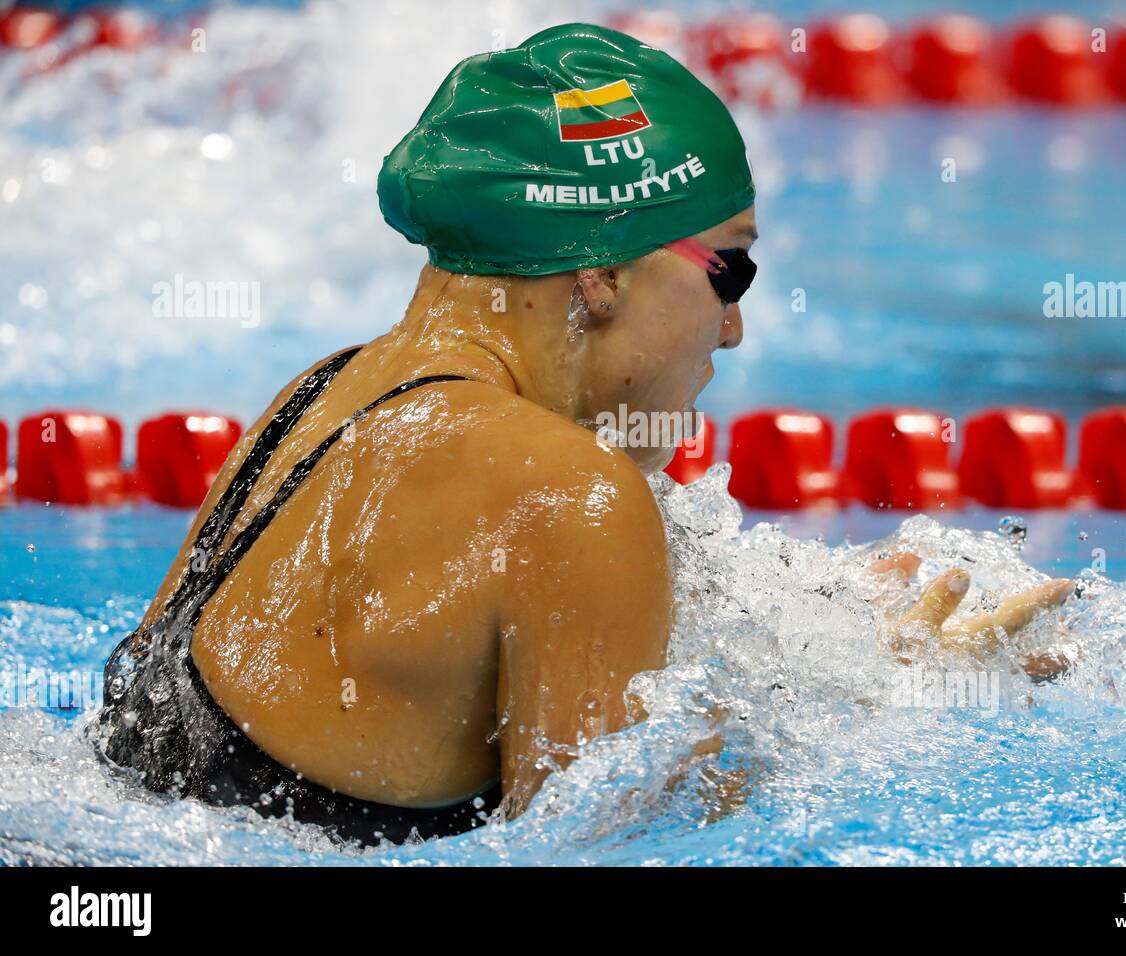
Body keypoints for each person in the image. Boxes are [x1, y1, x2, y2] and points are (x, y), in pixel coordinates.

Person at [91, 23, 1069, 846]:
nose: (733, 324)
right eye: (728, 269)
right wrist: (876, 715)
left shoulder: (318, 394)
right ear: (599, 273)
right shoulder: (570, 494)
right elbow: (618, 852)